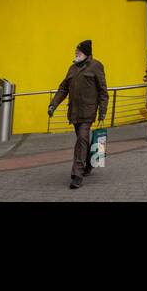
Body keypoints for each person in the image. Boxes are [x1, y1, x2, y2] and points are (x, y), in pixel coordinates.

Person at [47, 39, 108, 189]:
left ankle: (77, 175)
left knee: (82, 138)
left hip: (88, 112)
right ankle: (88, 165)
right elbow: (63, 89)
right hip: (74, 112)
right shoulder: (72, 68)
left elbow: (103, 91)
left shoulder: (96, 66)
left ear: (86, 53)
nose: (76, 53)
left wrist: (102, 111)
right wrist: (53, 105)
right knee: (83, 141)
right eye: (76, 51)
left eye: (79, 51)